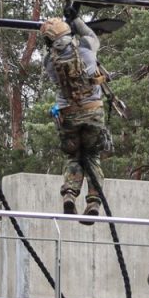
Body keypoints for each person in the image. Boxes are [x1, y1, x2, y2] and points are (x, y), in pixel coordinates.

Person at [42, 13, 106, 224]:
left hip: (68, 115)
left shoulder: (49, 61)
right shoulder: (86, 48)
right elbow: (90, 34)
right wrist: (76, 19)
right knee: (92, 156)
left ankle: (70, 194)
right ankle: (94, 202)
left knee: (73, 157)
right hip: (93, 112)